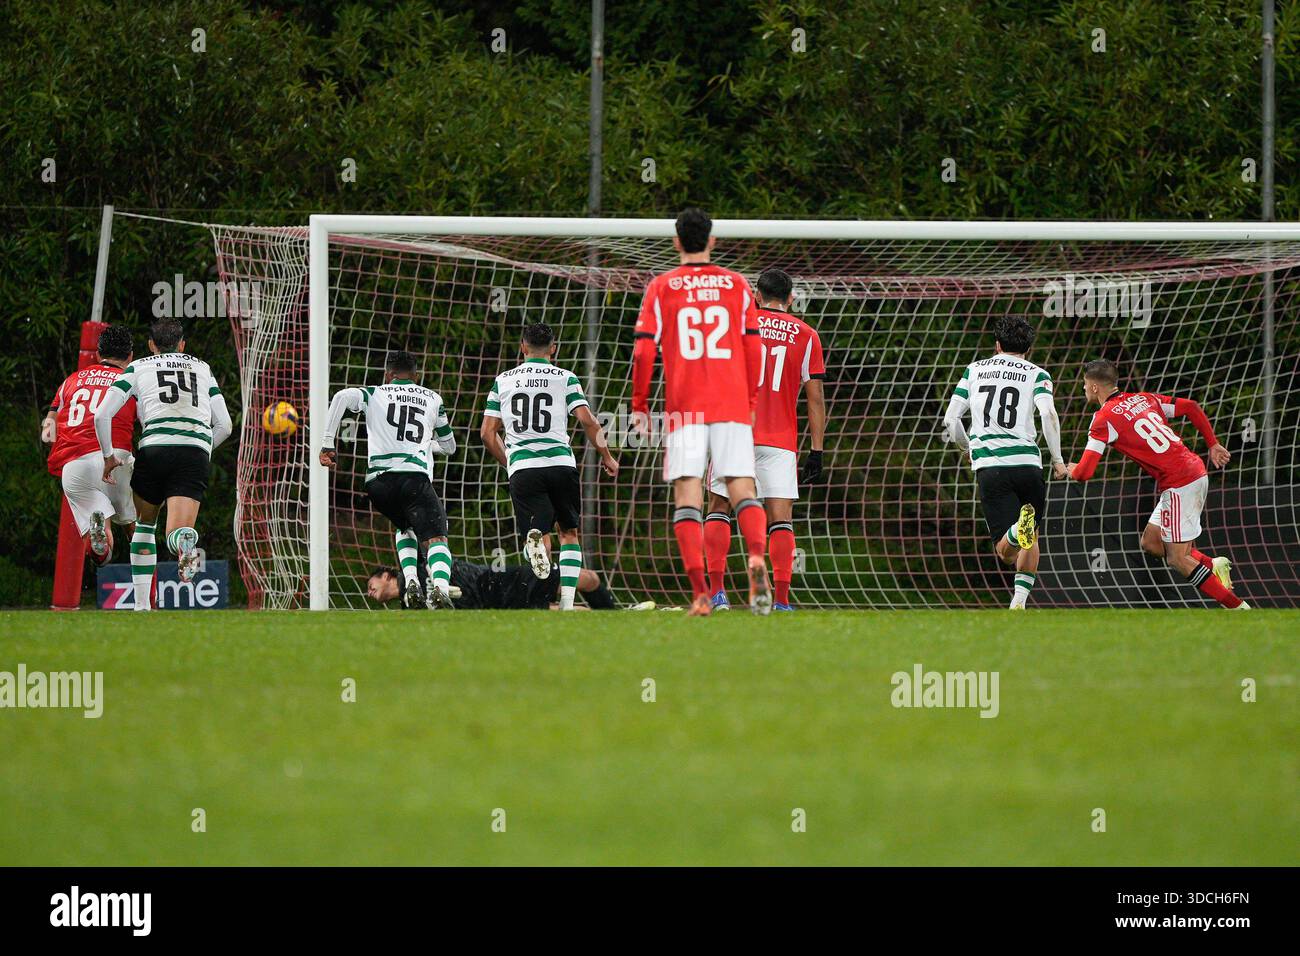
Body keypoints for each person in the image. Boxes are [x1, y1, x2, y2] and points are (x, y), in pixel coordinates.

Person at [631, 207, 770, 616]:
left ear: (676, 242)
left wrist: (640, 405)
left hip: (685, 410)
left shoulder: (662, 287)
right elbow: (753, 347)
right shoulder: (736, 284)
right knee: (743, 489)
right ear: (712, 241)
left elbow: (643, 351)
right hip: (729, 404)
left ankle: (701, 595)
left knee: (688, 498)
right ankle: (757, 558)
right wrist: (750, 403)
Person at [1066, 359, 1247, 610]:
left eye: (1085, 385)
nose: (1083, 389)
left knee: (1178, 559)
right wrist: (1212, 444)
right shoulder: (1145, 398)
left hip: (1179, 482)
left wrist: (1068, 469)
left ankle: (1238, 607)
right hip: (1192, 471)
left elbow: (1084, 473)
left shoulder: (1103, 418)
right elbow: (1192, 407)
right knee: (1151, 543)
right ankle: (1213, 565)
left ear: (1095, 387)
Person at [703, 267, 826, 611]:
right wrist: (816, 451)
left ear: (756, 296)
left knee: (719, 507)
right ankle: (783, 601)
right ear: (790, 299)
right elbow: (815, 398)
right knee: (781, 518)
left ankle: (717, 593)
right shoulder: (807, 335)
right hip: (780, 439)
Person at [94, 318, 233, 609]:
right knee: (177, 531)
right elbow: (225, 426)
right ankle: (184, 543)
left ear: (151, 345)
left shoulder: (138, 366)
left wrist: (109, 457)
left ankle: (142, 606)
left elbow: (102, 415)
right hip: (193, 450)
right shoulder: (202, 368)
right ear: (183, 344)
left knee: (145, 525)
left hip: (155, 448)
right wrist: (201, 449)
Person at [480, 322, 618, 610]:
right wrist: (606, 455)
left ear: (523, 347)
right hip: (559, 463)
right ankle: (567, 602)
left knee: (540, 537)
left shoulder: (502, 380)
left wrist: (511, 463)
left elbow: (487, 432)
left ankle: (536, 548)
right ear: (553, 349)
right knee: (568, 533)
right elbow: (587, 420)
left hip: (524, 467)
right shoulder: (565, 378)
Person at [942, 316, 1065, 609]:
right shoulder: (1038, 374)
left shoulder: (974, 370)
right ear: (1029, 347)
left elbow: (951, 418)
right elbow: (1048, 415)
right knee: (1031, 535)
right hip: (1028, 464)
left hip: (991, 466)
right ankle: (1019, 603)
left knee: (1006, 552)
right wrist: (1058, 460)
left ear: (997, 344)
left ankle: (1014, 533)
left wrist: (968, 447)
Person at [320, 349, 457, 610]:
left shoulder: (374, 393)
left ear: (387, 374)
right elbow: (449, 447)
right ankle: (439, 589)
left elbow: (340, 397)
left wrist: (327, 443)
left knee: (405, 526)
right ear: (416, 376)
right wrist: (426, 445)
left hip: (378, 484)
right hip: (414, 480)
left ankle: (412, 581)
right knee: (437, 539)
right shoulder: (432, 398)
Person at [43, 324, 139, 565]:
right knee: (137, 531)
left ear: (97, 355)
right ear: (130, 356)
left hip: (75, 466)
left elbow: (48, 429)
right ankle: (150, 595)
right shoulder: (132, 380)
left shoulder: (71, 381)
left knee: (102, 556)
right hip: (116, 458)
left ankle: (101, 538)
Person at [364, 558, 623, 611]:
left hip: (495, 580)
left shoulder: (421, 566)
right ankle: (610, 622)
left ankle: (614, 613)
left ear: (386, 575)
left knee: (588, 579)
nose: (369, 592)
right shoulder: (412, 611)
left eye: (370, 584)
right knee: (571, 614)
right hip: (494, 607)